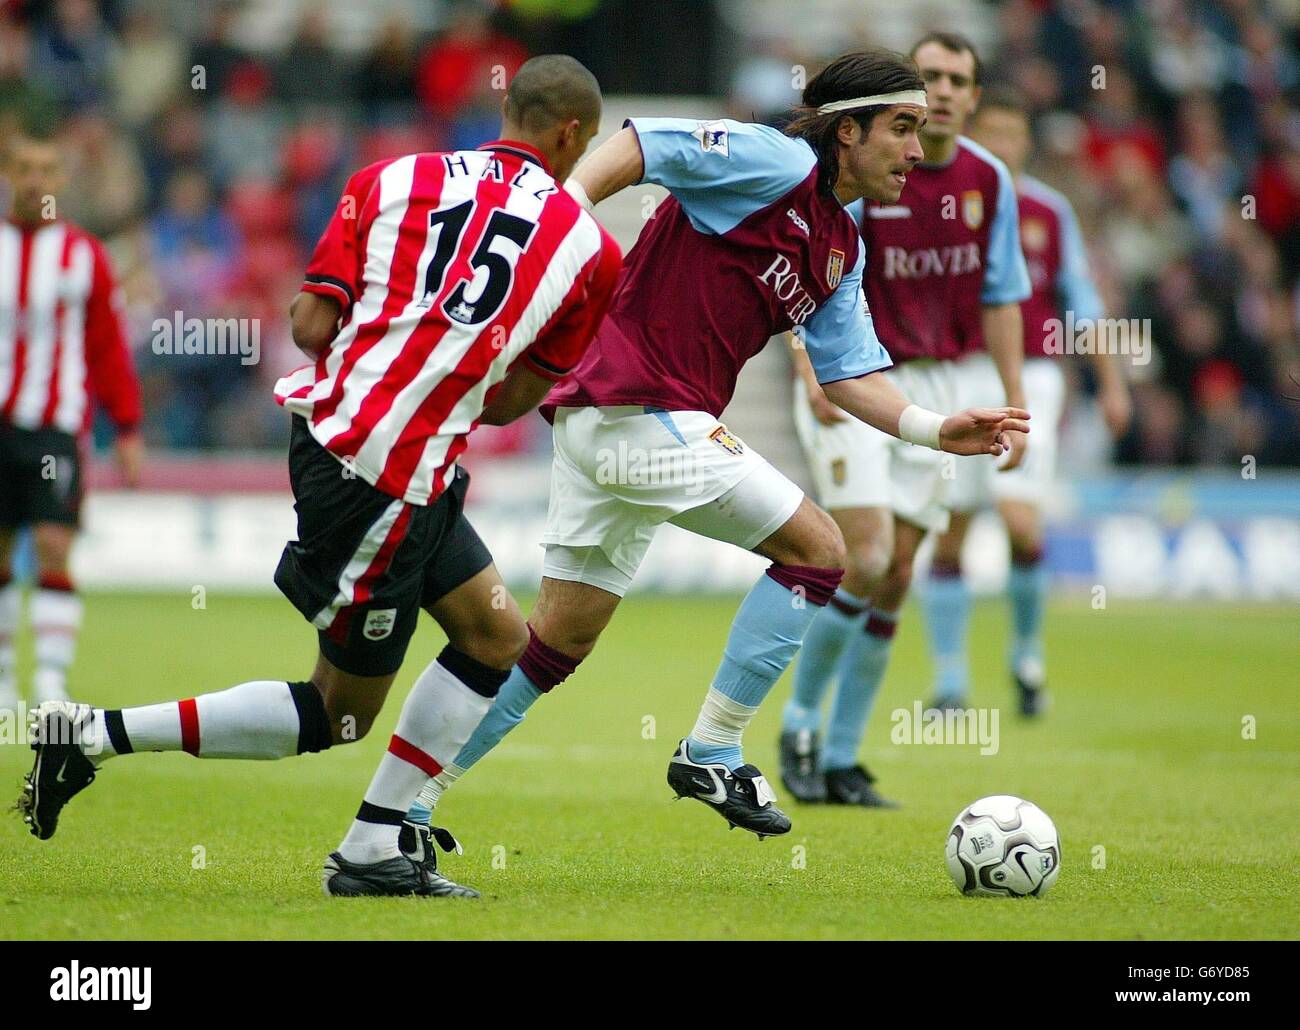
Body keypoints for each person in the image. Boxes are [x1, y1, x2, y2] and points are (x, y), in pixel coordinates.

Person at [19, 55, 622, 900]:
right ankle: (89, 735)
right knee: (336, 713)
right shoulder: (591, 251)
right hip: (383, 479)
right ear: (571, 135)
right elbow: (508, 405)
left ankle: (375, 844)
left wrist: (389, 356)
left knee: (496, 639)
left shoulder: (389, 177)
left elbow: (308, 323)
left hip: (366, 450)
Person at [400, 48, 1029, 842]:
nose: (915, 148)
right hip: (637, 406)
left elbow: (848, 374)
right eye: (900, 128)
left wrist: (936, 429)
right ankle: (713, 748)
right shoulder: (774, 162)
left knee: (551, 646)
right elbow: (643, 145)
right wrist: (562, 215)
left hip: (615, 424)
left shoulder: (841, 244)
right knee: (821, 550)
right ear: (846, 132)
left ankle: (406, 808)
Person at [780, 33, 1031, 807]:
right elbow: (801, 253)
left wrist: (1015, 404)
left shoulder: (990, 181)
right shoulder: (866, 172)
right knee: (866, 553)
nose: (945, 91)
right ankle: (798, 729)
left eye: (959, 79)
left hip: (939, 386)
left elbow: (1001, 299)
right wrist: (806, 366)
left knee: (894, 577)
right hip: (856, 377)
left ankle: (844, 758)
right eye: (930, 78)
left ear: (976, 96)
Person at [924, 87, 1132, 716]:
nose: (1003, 146)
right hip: (955, 370)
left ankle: (1026, 656)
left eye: (1014, 134)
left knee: (1020, 524)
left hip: (1032, 374)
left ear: (1026, 142)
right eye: (993, 133)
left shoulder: (1049, 209)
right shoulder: (946, 198)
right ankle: (952, 681)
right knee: (953, 530)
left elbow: (1082, 301)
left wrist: (1113, 382)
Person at [0, 127, 143, 712]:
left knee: (55, 545)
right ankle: (4, 679)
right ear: (8, 175)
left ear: (62, 180)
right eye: (24, 169)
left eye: (48, 170)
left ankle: (51, 684)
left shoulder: (84, 254)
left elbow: (107, 346)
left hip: (54, 427)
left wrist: (128, 428)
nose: (37, 182)